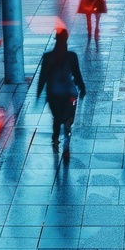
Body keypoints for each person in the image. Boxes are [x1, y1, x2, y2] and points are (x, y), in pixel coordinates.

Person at [36, 29, 86, 160]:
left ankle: (55, 138)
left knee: (57, 118)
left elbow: (43, 77)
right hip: (69, 93)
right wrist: (82, 87)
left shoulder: (48, 57)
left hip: (53, 93)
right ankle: (66, 145)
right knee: (68, 120)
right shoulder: (71, 56)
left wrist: (38, 94)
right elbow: (77, 74)